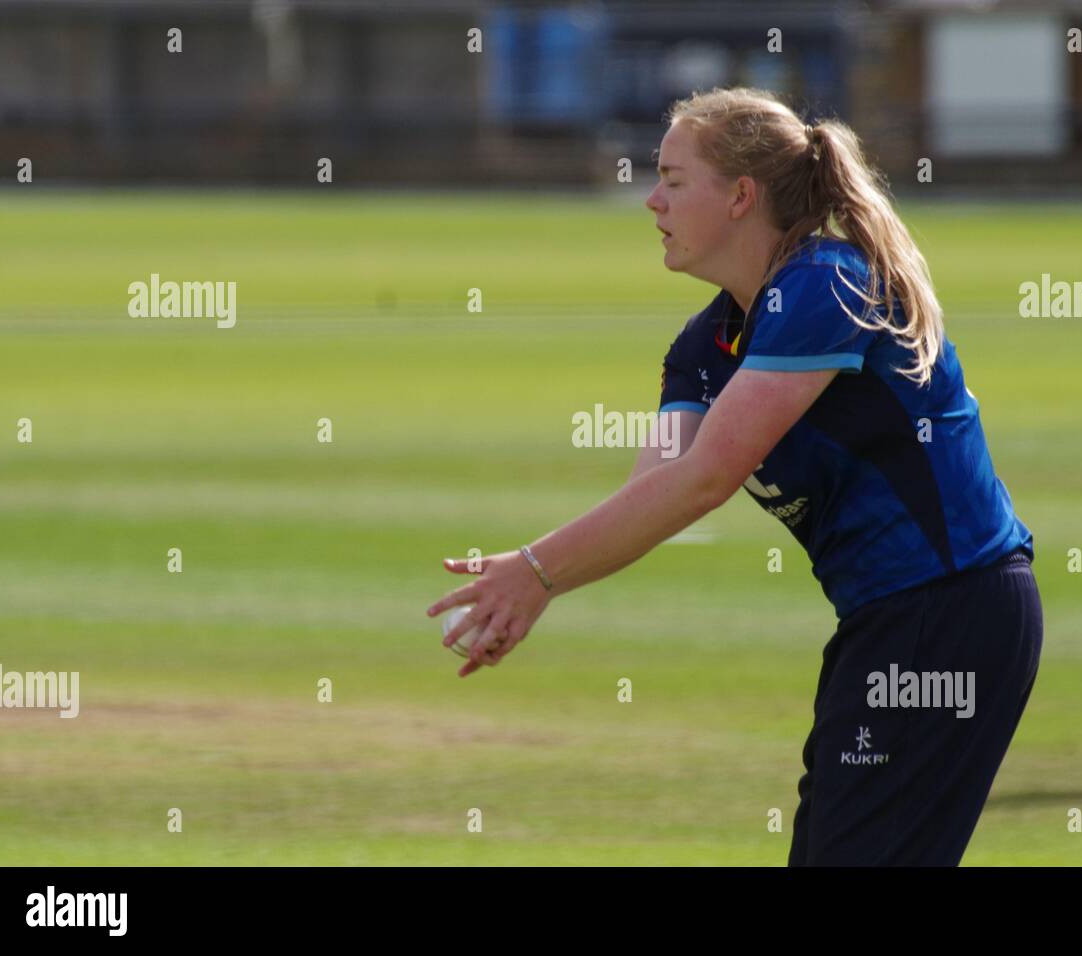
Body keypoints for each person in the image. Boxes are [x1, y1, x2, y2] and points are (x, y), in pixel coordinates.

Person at [426, 87, 1043, 866]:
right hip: (889, 624)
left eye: (673, 179)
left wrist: (539, 573)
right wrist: (536, 585)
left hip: (951, 619)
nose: (651, 200)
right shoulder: (705, 343)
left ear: (741, 196)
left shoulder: (828, 284)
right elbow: (657, 488)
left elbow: (705, 480)